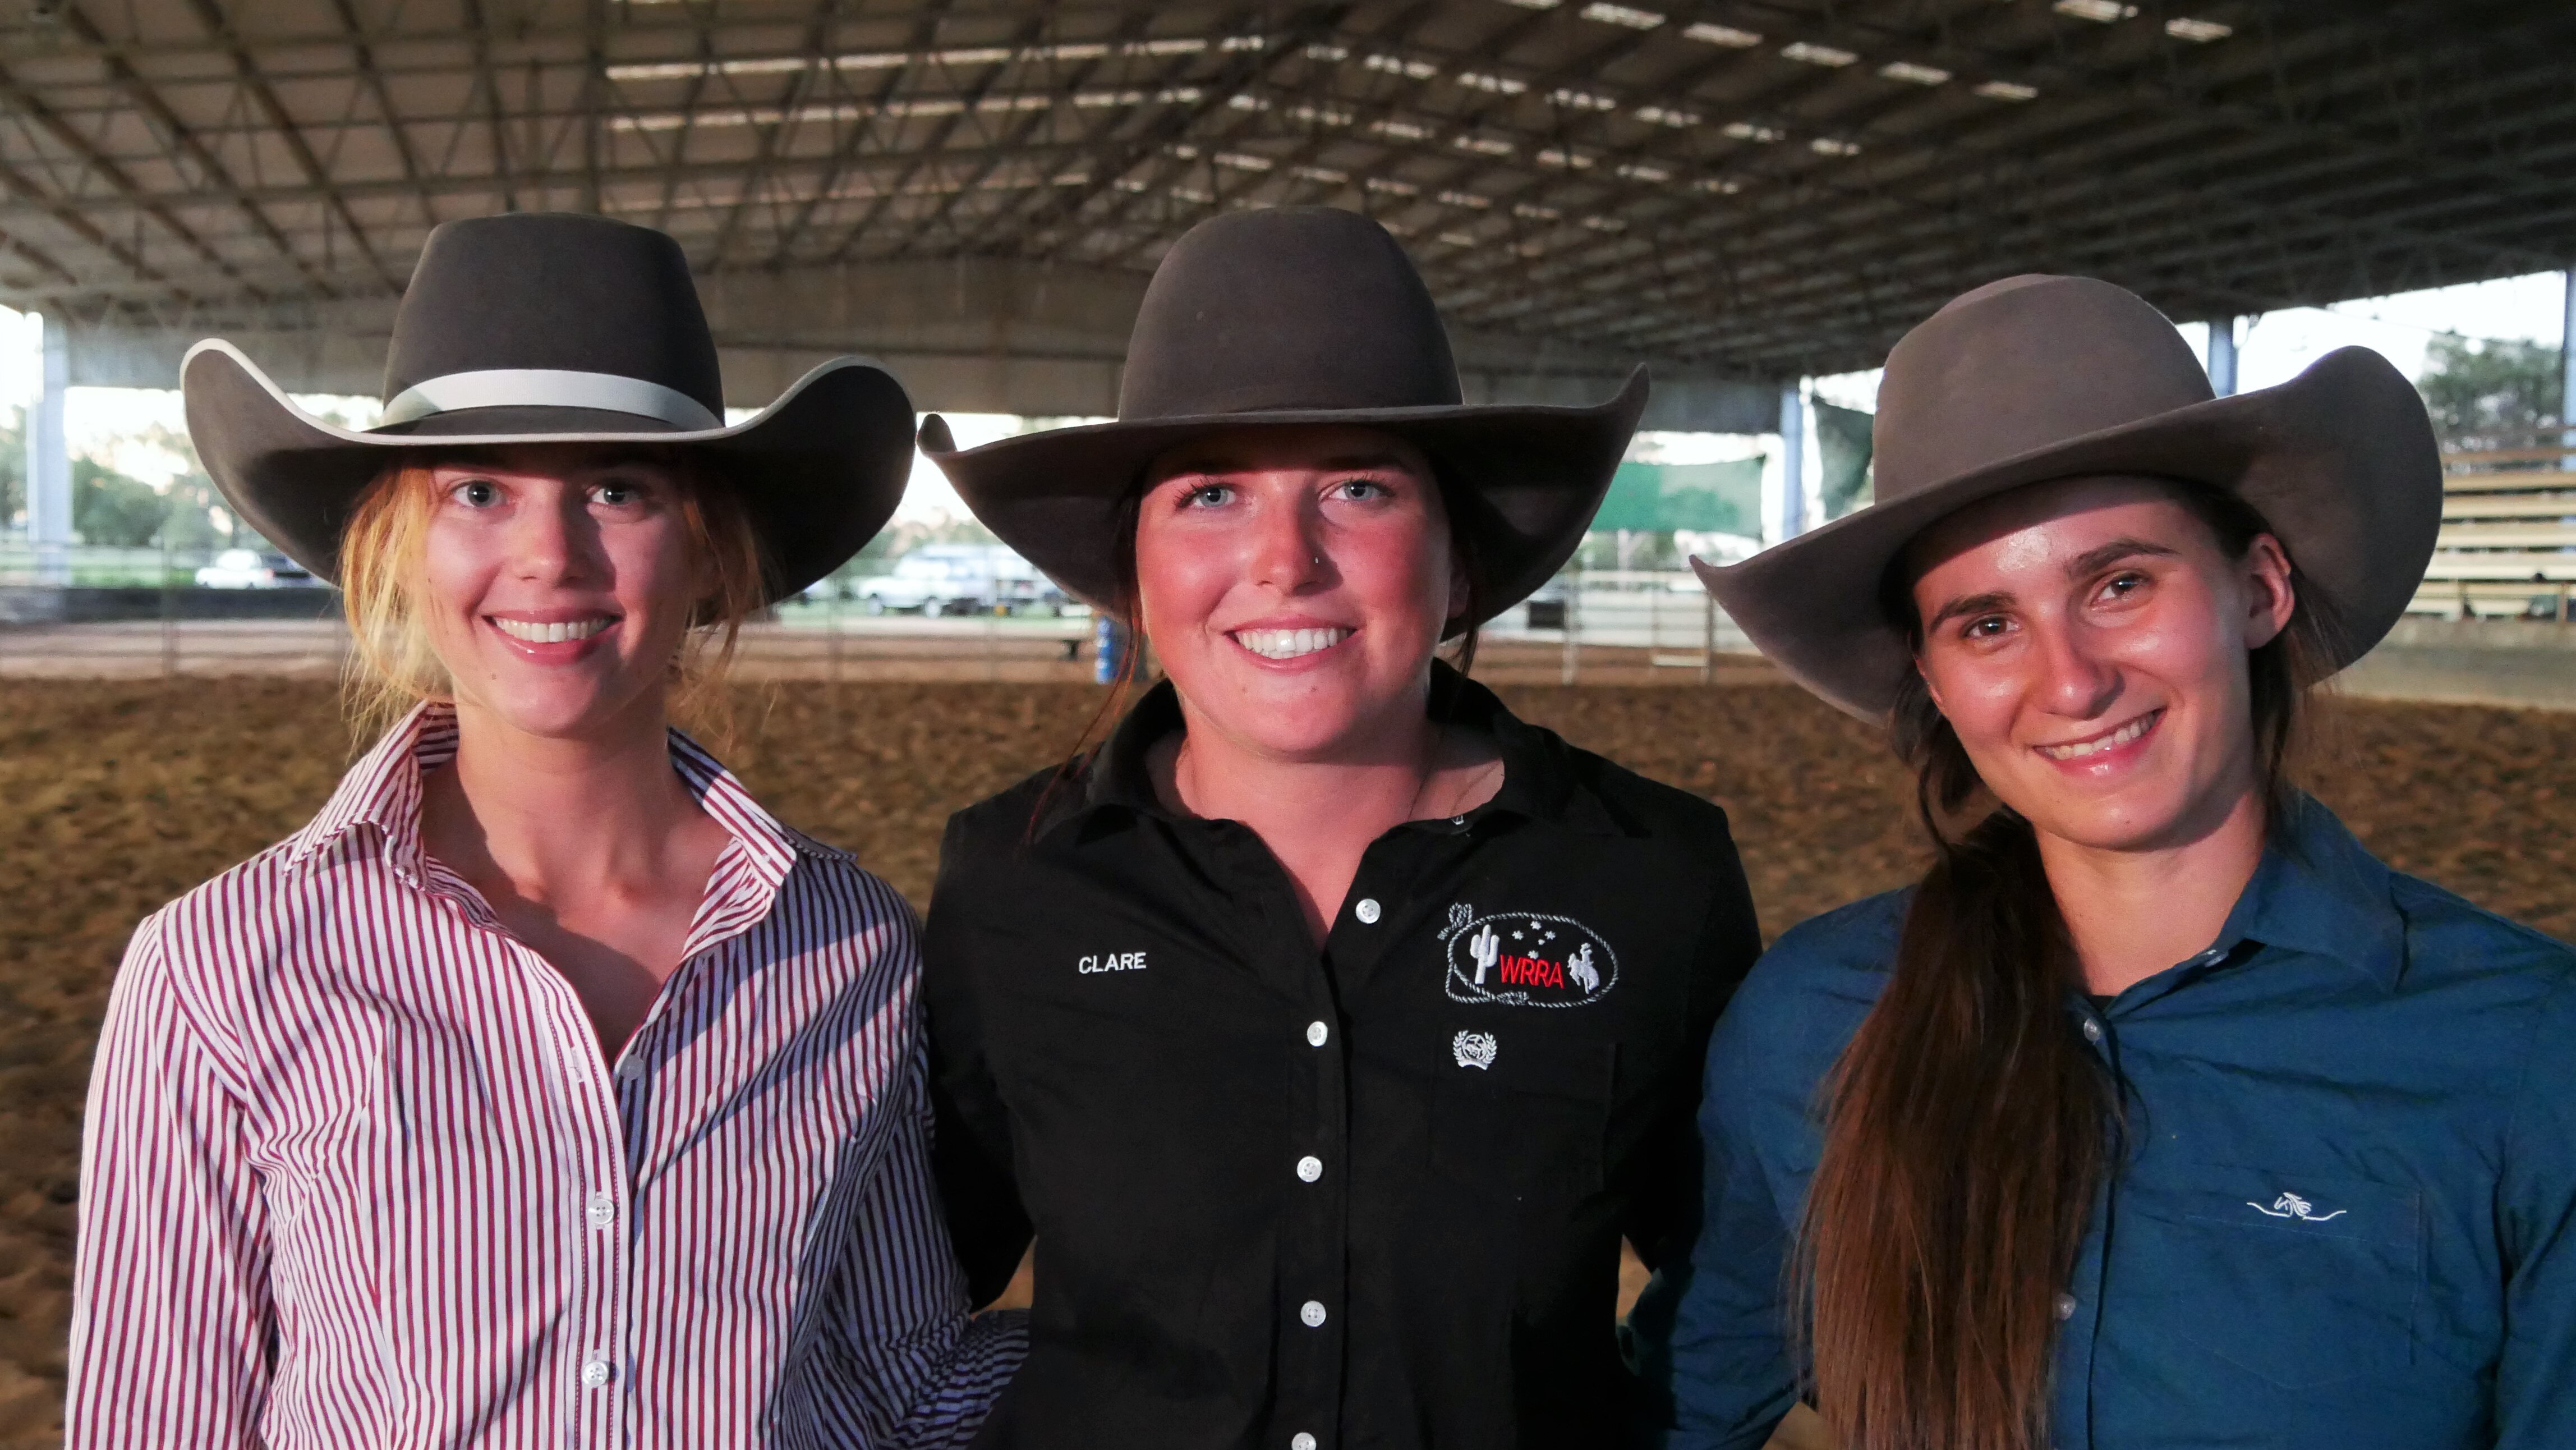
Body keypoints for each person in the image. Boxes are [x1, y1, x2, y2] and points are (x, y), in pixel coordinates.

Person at [67, 212, 1020, 1447]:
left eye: (616, 489)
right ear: (400, 547)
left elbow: (908, 1378)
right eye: (478, 490)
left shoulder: (849, 944)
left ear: (708, 550)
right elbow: (158, 1419)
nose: (548, 557)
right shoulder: (220, 967)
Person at [1671, 274, 2576, 1450]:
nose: (2074, 679)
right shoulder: (1812, 1019)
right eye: (1987, 624)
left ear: (2256, 590)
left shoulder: (2520, 1057)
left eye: (2119, 583)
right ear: (1937, 684)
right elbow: (1685, 1403)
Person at [913, 207, 1765, 1448]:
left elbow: (1741, 1268)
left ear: (1458, 564)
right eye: (1210, 495)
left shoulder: (1652, 874)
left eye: (1356, 488)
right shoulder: (1013, 879)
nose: (1284, 560)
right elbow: (912, 1278)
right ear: (1135, 579)